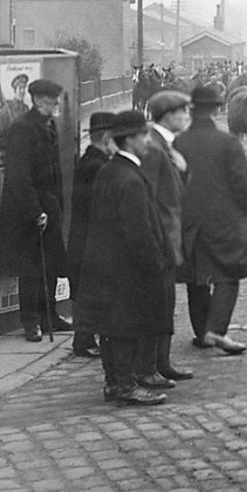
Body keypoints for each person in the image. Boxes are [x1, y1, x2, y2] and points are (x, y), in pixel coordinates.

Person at [74, 111, 172, 406]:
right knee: (126, 327)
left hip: (107, 265)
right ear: (129, 139)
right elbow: (139, 231)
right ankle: (125, 385)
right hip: (126, 268)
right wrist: (155, 265)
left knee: (112, 327)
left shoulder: (111, 170)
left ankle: (114, 383)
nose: (146, 140)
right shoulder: (128, 178)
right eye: (142, 135)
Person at [175, 85, 247, 355]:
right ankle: (217, 329)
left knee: (197, 276)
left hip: (189, 220)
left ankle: (202, 333)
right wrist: (242, 211)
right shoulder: (228, 143)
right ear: (216, 109)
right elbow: (243, 185)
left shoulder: (179, 143)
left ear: (192, 109)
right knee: (228, 274)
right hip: (224, 218)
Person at [0, 78, 71, 342]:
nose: (55, 105)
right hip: (26, 211)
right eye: (52, 100)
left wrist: (54, 207)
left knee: (50, 262)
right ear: (39, 100)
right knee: (30, 267)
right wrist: (35, 211)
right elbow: (20, 176)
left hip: (48, 206)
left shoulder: (47, 125)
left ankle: (49, 315)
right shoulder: (22, 128)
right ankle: (31, 321)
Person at [134, 90, 195, 388]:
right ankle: (147, 368)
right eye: (182, 111)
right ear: (167, 115)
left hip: (168, 236)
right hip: (159, 238)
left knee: (166, 301)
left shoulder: (165, 146)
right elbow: (147, 199)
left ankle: (162, 363)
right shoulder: (155, 149)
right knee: (155, 303)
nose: (187, 115)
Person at [65, 111, 116, 358]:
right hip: (90, 240)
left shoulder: (90, 161)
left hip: (84, 238)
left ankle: (84, 338)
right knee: (89, 291)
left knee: (87, 291)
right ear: (106, 137)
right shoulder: (98, 166)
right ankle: (83, 341)